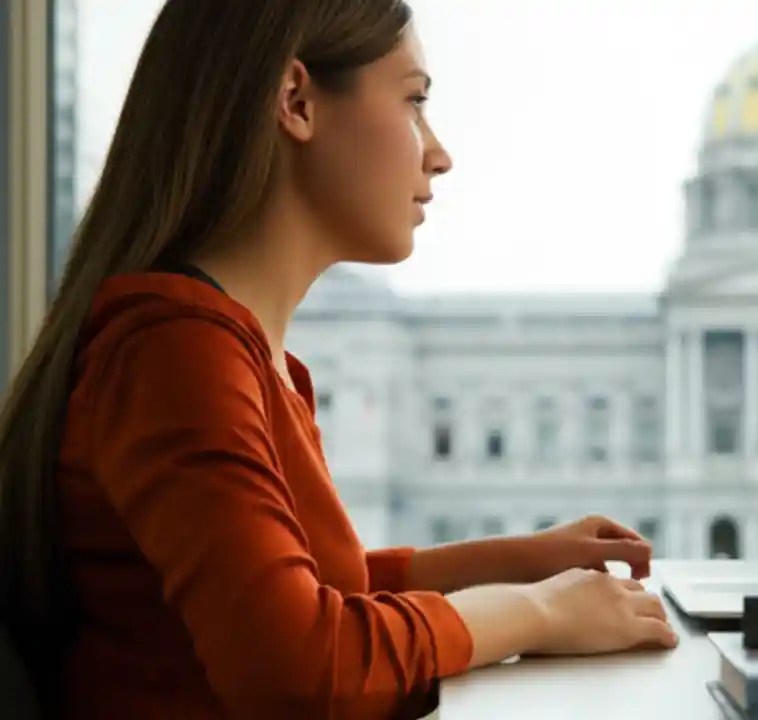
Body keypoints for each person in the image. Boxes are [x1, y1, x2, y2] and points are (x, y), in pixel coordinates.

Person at [0, 1, 678, 718]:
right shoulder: (178, 353)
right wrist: (538, 614)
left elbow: (321, 587)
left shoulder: (234, 353)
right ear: (296, 102)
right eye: (414, 102)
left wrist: (520, 561)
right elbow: (298, 662)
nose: (438, 151)